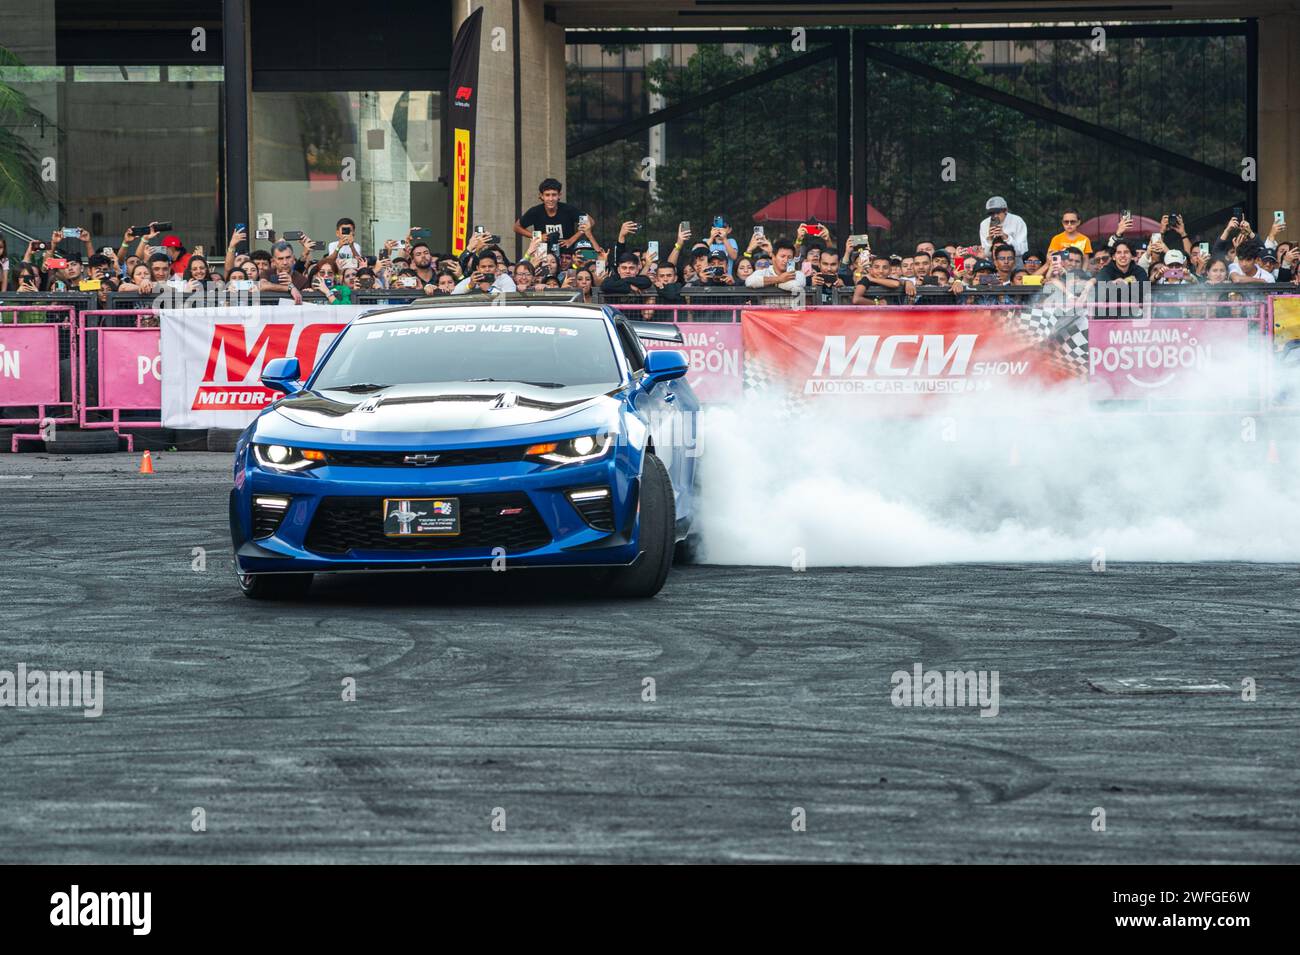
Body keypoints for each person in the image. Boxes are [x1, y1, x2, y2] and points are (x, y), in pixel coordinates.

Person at [514, 177, 583, 254]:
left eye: (554, 195)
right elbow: (517, 227)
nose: (551, 199)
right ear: (541, 196)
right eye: (547, 195)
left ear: (559, 195)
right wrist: (538, 236)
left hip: (566, 255)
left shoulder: (568, 210)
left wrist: (572, 240)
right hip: (544, 254)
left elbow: (590, 221)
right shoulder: (535, 211)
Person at [452, 252, 517, 294]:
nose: (487, 269)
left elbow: (509, 300)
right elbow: (453, 294)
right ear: (478, 268)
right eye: (483, 267)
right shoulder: (474, 279)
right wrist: (469, 286)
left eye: (490, 266)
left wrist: (490, 289)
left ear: (497, 267)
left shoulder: (504, 278)